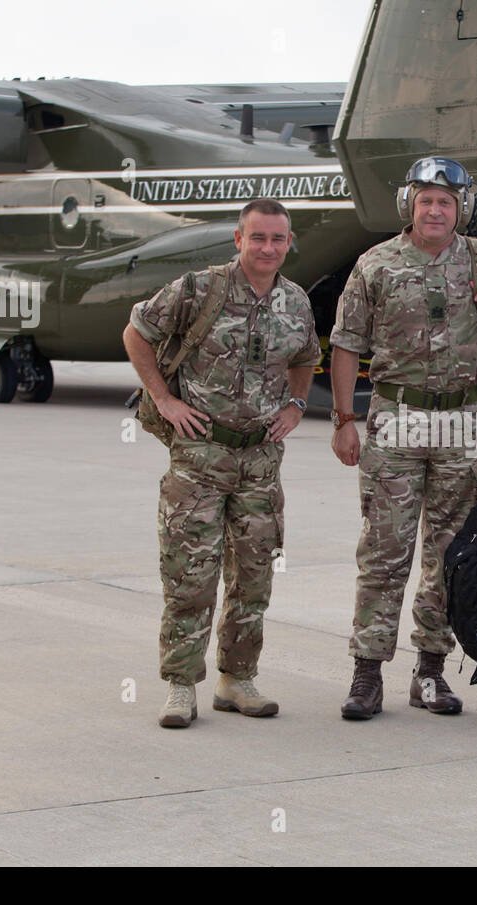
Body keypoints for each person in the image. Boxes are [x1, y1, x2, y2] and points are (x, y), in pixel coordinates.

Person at [329, 156, 477, 720]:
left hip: (462, 423)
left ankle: (431, 671)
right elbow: (345, 344)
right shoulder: (377, 264)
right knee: (385, 551)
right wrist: (344, 420)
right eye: (425, 199)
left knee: (451, 556)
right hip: (395, 419)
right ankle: (367, 674)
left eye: (446, 201)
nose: (434, 209)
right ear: (408, 205)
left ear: (463, 208)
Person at [122, 198, 320, 728]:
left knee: (254, 575)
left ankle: (238, 679)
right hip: (199, 457)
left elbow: (306, 358)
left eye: (278, 239)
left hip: (259, 460)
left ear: (288, 242)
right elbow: (136, 333)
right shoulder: (198, 289)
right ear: (239, 240)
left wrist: (296, 406)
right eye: (258, 238)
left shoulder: (296, 302)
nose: (268, 248)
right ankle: (181, 685)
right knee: (191, 575)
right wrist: (164, 399)